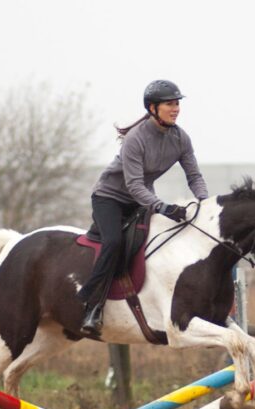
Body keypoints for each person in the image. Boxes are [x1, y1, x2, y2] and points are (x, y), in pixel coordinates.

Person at [78, 79, 209, 336]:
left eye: (177, 104)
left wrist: (204, 203)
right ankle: (92, 305)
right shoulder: (135, 139)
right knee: (114, 242)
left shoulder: (181, 138)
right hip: (109, 198)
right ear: (152, 108)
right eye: (170, 104)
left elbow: (194, 176)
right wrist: (163, 207)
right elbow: (135, 185)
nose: (176, 109)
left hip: (141, 200)